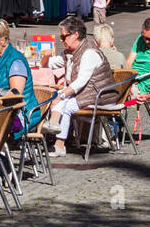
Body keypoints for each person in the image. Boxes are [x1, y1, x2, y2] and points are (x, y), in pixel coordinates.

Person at [46, 14, 115, 157]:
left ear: (75, 35)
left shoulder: (89, 53)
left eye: (63, 37)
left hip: (101, 95)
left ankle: (58, 143)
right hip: (87, 93)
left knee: (66, 104)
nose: (61, 40)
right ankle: (53, 128)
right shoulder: (71, 53)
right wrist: (45, 56)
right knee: (63, 101)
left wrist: (62, 95)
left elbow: (81, 81)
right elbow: (51, 63)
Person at [0, 19, 40, 140]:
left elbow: (15, 96)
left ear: (2, 41)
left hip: (20, 115)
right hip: (1, 110)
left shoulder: (15, 62)